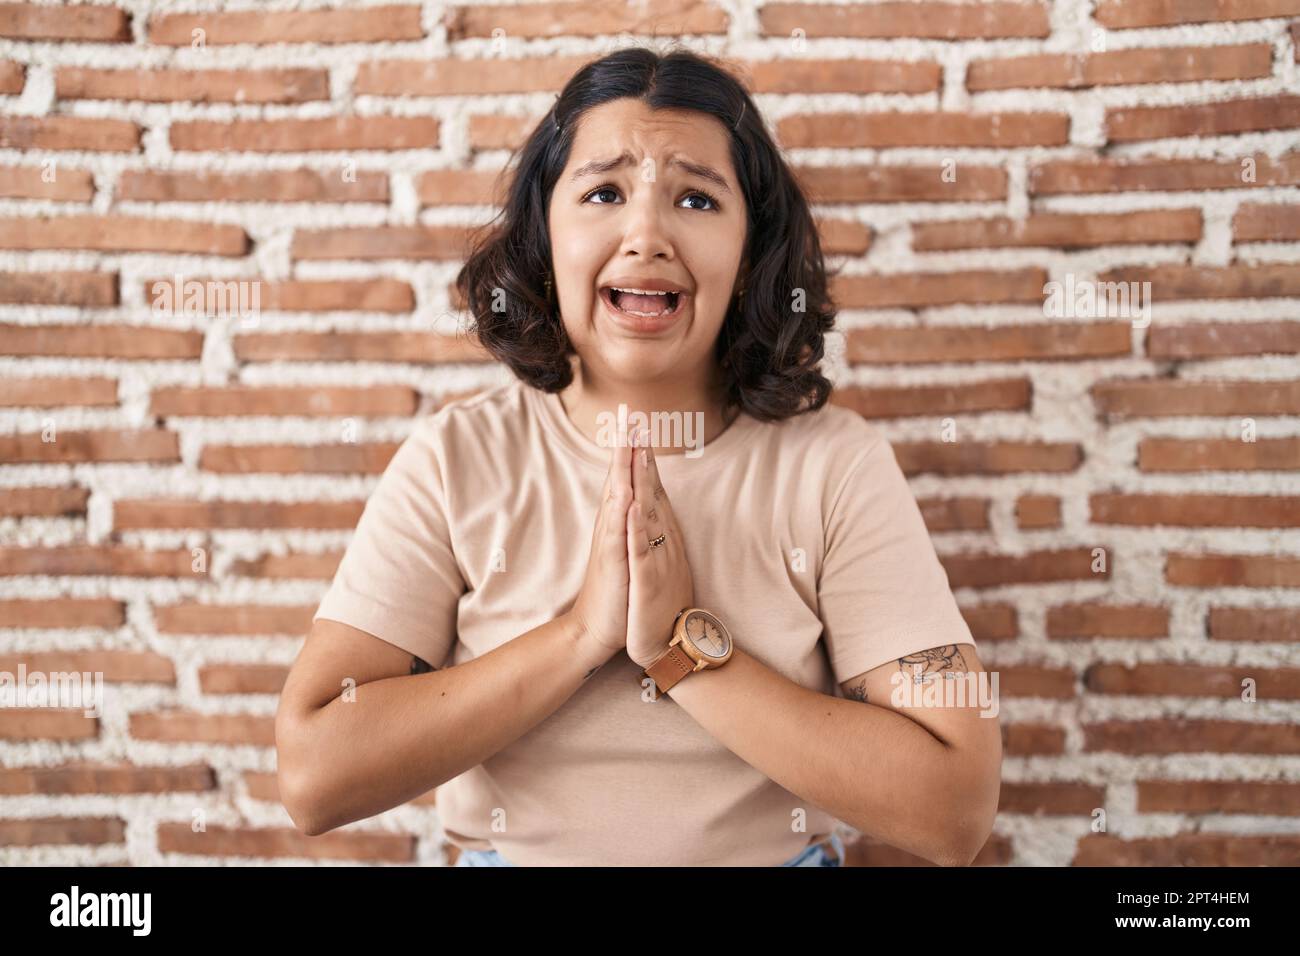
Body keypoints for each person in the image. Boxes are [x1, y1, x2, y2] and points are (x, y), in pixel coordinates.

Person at [274, 45, 1002, 867]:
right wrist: (583, 634)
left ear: (752, 249)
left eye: (696, 197)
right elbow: (314, 775)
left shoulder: (833, 465)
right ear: (545, 235)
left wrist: (683, 652)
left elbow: (955, 809)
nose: (646, 233)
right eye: (603, 192)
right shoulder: (457, 459)